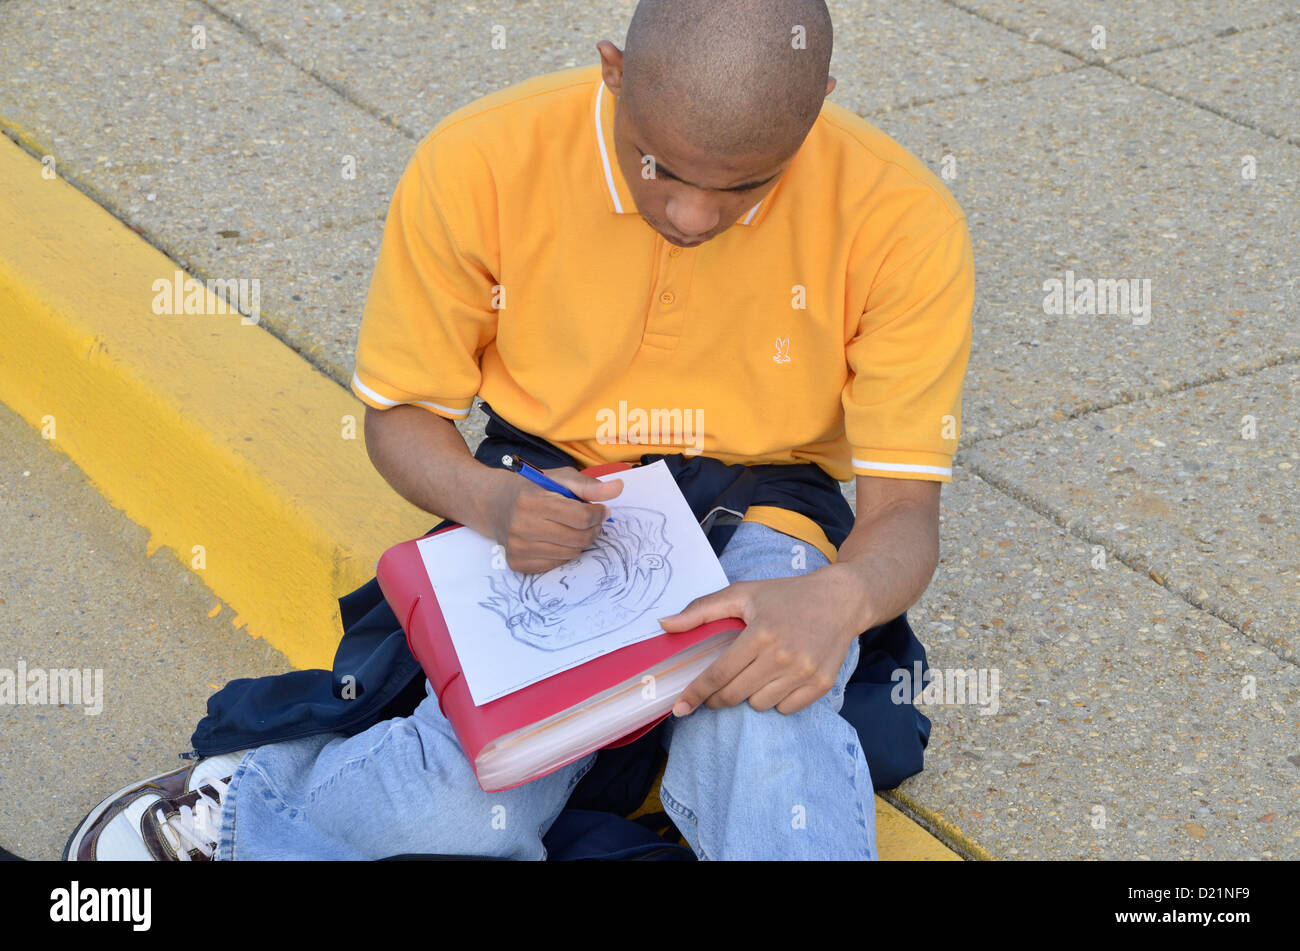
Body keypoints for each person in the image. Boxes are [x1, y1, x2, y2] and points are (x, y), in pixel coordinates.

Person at [64, 0, 973, 861]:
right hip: (548, 486)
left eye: (745, 185)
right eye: (660, 167)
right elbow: (402, 415)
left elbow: (904, 516)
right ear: (613, 75)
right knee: (473, 795)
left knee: (775, 752)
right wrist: (487, 498)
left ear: (820, 109)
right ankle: (244, 805)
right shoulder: (482, 160)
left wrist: (840, 602)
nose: (694, 216)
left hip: (771, 506)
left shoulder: (905, 219)